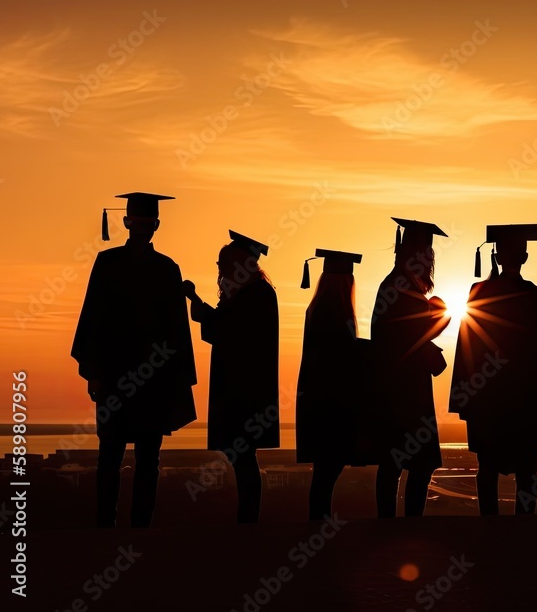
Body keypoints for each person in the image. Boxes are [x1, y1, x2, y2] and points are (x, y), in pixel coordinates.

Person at [72, 192, 197, 528]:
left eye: (148, 223)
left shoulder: (167, 269)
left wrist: (177, 380)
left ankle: (141, 524)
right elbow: (93, 319)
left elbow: (176, 330)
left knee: (147, 458)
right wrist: (94, 373)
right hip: (114, 376)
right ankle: (106, 522)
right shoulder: (108, 263)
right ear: (127, 222)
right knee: (110, 454)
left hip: (153, 381)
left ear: (156, 225)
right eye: (137, 222)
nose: (143, 227)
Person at [451, 224, 537, 515]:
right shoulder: (536, 298)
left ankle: (489, 523)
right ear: (524, 257)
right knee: (527, 469)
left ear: (497, 256)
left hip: (487, 397)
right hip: (525, 400)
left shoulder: (479, 292)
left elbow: (467, 347)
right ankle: (523, 525)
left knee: (487, 467)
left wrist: (464, 395)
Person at [184, 230, 279, 524]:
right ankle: (247, 517)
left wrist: (200, 307)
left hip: (246, 389)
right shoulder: (247, 293)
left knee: (243, 454)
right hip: (238, 385)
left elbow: (231, 332)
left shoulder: (257, 294)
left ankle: (248, 519)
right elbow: (224, 327)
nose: (222, 272)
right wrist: (200, 305)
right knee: (241, 455)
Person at [372, 218, 451, 518]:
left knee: (398, 461)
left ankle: (392, 523)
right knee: (414, 463)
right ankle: (405, 525)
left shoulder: (397, 284)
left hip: (399, 387)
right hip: (405, 391)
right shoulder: (401, 287)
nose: (428, 258)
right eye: (424, 252)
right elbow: (407, 336)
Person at [296, 249, 374, 520]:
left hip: (321, 402)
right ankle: (319, 522)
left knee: (325, 471)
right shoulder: (334, 312)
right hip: (333, 405)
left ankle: (318, 519)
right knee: (328, 470)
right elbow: (342, 354)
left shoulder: (319, 308)